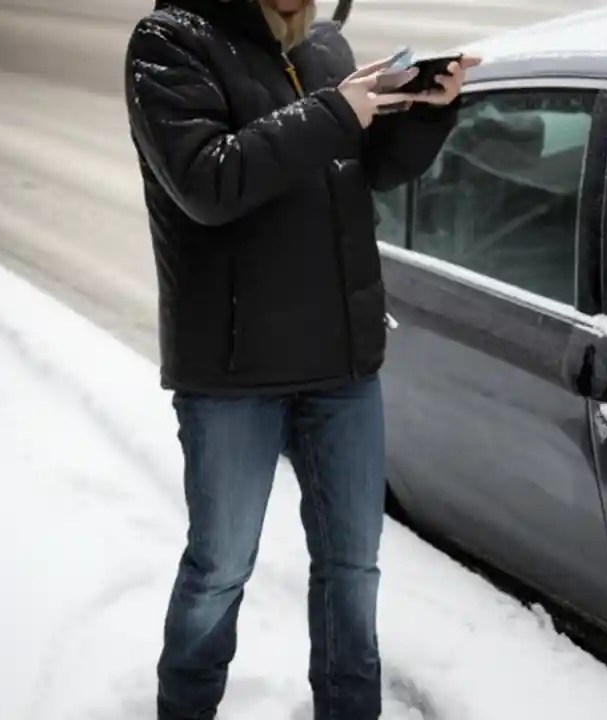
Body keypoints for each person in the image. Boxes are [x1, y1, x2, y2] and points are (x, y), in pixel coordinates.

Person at [123, 1, 479, 717]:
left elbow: (367, 170)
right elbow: (209, 181)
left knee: (353, 569)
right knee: (221, 568)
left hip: (341, 366)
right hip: (233, 374)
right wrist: (335, 112)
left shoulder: (322, 50)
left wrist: (427, 112)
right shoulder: (169, 43)